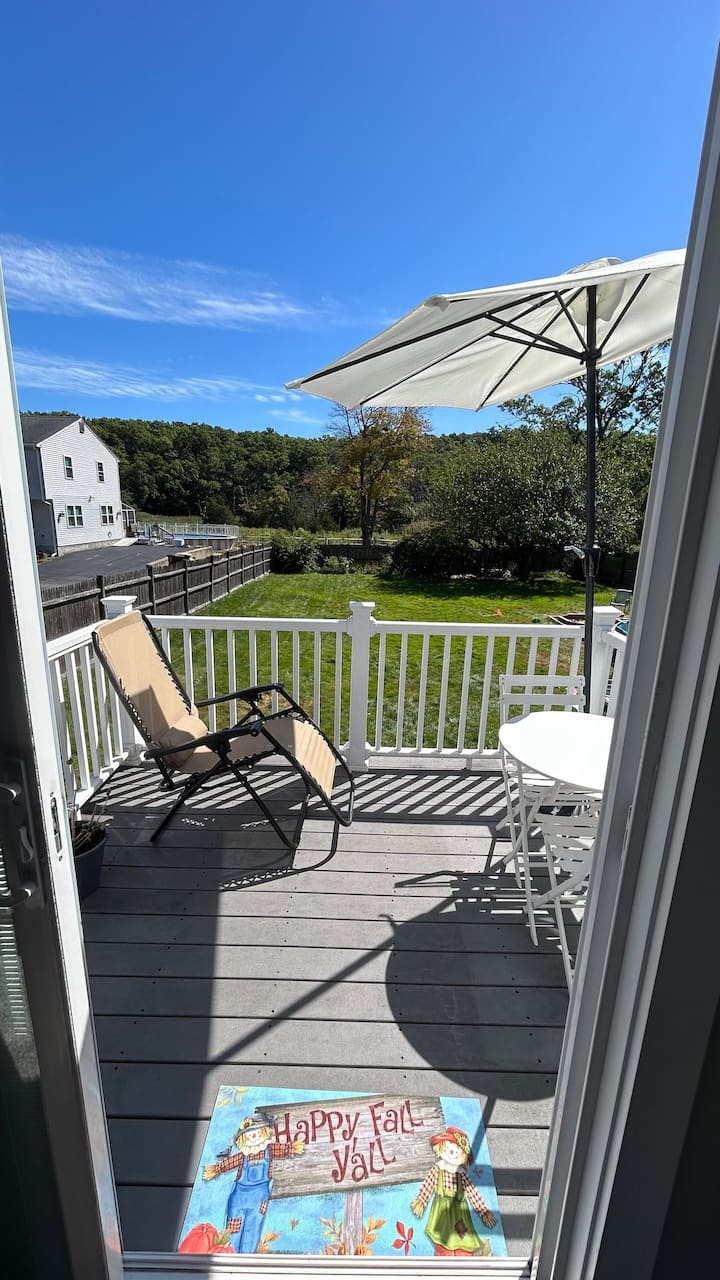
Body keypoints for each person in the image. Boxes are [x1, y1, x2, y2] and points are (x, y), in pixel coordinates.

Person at [203, 1116, 305, 1253]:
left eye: (256, 1132)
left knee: (253, 1228)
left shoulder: (269, 1150)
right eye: (249, 1134)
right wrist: (216, 1169)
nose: (253, 1136)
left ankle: (247, 1257)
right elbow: (229, 1163)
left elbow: (283, 1149)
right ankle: (231, 1256)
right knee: (234, 1228)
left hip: (259, 1199)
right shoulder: (243, 1155)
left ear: (263, 1132)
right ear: (243, 1138)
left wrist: (292, 1148)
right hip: (239, 1199)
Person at [411, 1124, 496, 1257]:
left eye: (458, 1151)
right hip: (441, 1211)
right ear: (441, 1148)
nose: (454, 1153)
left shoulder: (462, 1174)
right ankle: (444, 1257)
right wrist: (421, 1200)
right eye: (450, 1149)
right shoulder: (438, 1168)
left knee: (463, 1239)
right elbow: (428, 1184)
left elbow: (472, 1192)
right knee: (443, 1239)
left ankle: (464, 1259)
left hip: (460, 1214)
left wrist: (483, 1211)